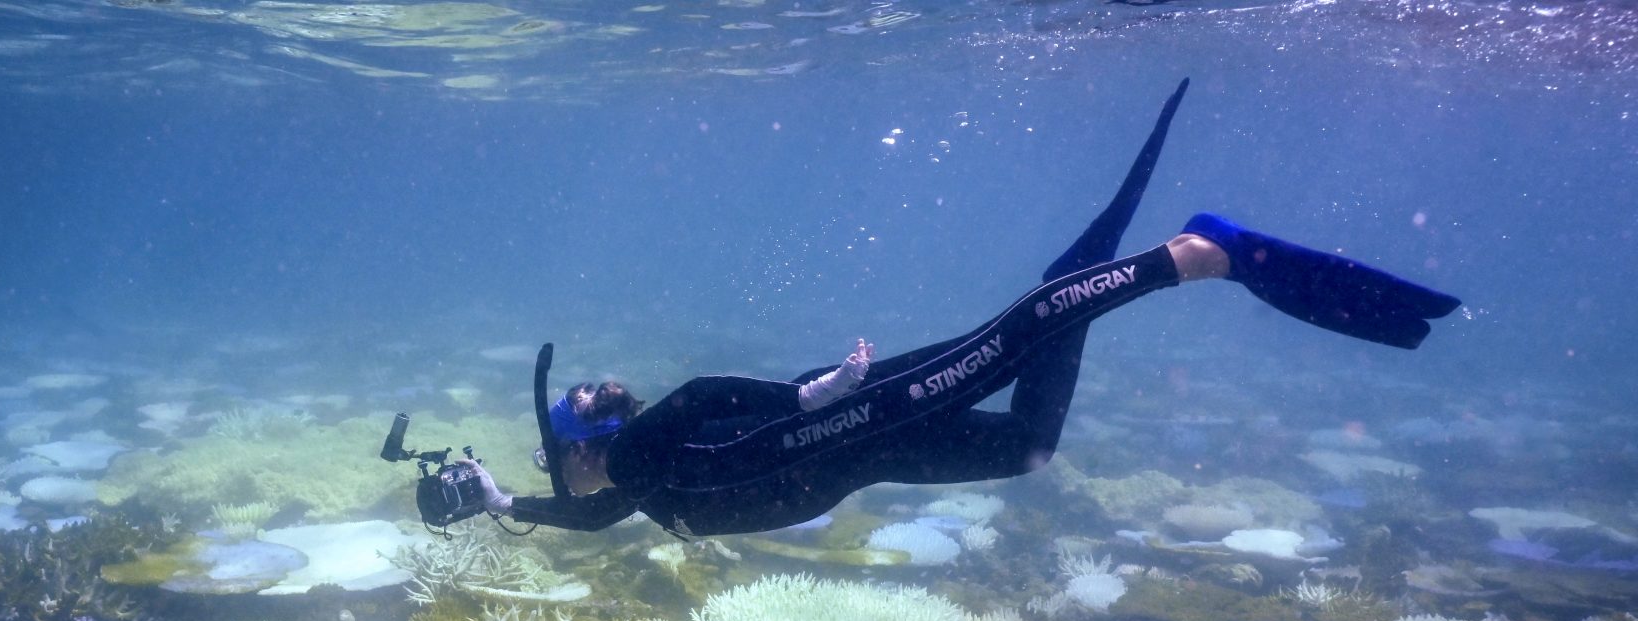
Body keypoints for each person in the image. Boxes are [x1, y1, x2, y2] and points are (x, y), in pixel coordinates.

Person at [468, 78, 1457, 539]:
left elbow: (732, 405)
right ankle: (1097, 270)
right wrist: (503, 503)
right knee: (1031, 442)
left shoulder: (646, 458)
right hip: (877, 451)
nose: (567, 474)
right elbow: (592, 523)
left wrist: (823, 392)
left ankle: (1196, 254)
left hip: (869, 418)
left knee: (1004, 340)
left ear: (592, 444)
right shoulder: (642, 484)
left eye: (561, 455)